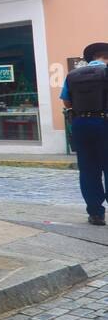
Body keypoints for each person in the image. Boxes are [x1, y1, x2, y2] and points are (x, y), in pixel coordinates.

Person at [62, 42, 108, 226]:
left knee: (88, 170)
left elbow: (66, 102)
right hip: (105, 122)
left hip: (81, 124)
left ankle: (95, 213)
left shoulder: (72, 75)